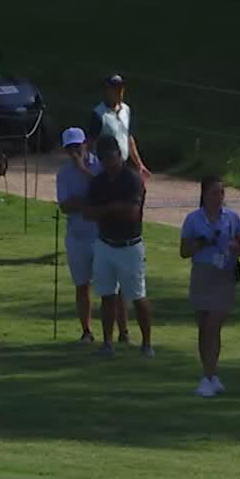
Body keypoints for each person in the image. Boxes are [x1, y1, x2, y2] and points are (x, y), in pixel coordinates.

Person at [85, 134, 153, 358]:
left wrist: (106, 209)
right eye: (103, 158)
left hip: (129, 245)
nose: (108, 162)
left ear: (119, 155)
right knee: (107, 294)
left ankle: (146, 343)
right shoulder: (99, 182)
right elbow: (88, 213)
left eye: (111, 157)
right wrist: (115, 208)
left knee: (137, 295)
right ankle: (107, 343)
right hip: (105, 243)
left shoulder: (132, 180)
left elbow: (133, 214)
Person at [180, 175, 240, 397]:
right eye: (214, 193)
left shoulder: (232, 218)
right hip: (201, 273)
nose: (218, 198)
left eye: (221, 193)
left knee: (212, 326)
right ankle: (211, 374)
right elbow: (184, 251)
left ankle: (207, 378)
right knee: (203, 326)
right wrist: (200, 243)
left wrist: (237, 247)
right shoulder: (193, 219)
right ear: (204, 195)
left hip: (223, 275)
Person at [54, 127, 103, 343]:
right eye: (70, 148)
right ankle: (87, 331)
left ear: (86, 144)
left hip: (102, 234)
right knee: (82, 285)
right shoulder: (63, 174)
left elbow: (104, 193)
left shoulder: (100, 166)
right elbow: (65, 206)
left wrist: (83, 171)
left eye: (78, 146)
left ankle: (121, 332)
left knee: (111, 287)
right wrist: (88, 203)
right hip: (77, 235)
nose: (75, 151)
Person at [91, 74, 150, 181]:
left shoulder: (126, 110)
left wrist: (139, 164)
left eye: (121, 88)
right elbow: (92, 142)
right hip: (104, 167)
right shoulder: (98, 114)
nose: (119, 92)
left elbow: (128, 137)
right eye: (115, 89)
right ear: (107, 90)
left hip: (123, 164)